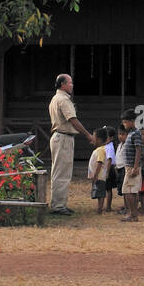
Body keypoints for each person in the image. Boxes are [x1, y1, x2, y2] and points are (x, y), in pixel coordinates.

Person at [48, 75, 95, 216]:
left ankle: (59, 203)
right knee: (62, 173)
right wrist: (88, 134)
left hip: (60, 137)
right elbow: (73, 120)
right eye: (70, 82)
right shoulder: (63, 99)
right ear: (63, 84)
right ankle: (58, 206)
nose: (72, 85)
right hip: (63, 137)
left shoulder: (55, 98)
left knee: (60, 172)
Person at [117, 109, 144, 222]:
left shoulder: (136, 133)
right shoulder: (130, 134)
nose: (124, 124)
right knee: (131, 191)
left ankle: (133, 214)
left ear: (132, 121)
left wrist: (135, 167)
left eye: (126, 122)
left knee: (128, 190)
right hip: (129, 166)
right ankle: (133, 214)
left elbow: (138, 150)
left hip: (132, 167)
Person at [88, 126, 111, 214]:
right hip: (99, 176)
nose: (92, 139)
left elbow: (99, 163)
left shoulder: (101, 150)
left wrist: (95, 175)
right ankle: (99, 208)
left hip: (100, 176)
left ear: (99, 140)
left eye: (94, 137)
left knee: (100, 193)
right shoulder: (99, 149)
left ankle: (100, 210)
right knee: (98, 192)